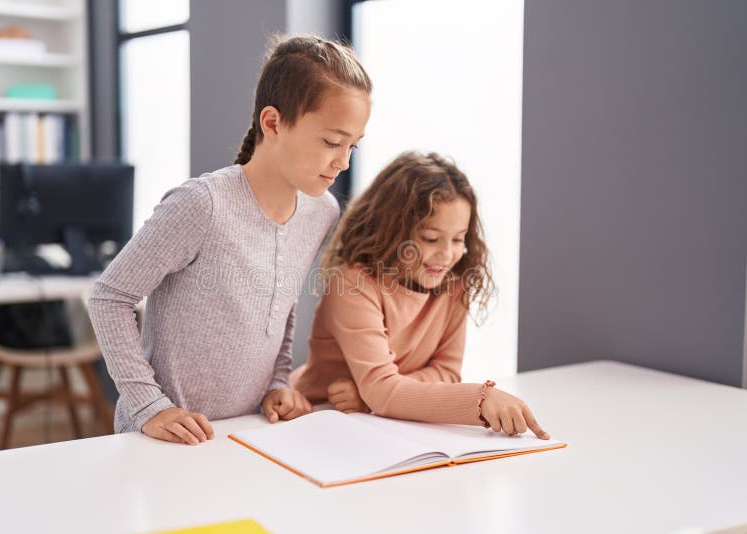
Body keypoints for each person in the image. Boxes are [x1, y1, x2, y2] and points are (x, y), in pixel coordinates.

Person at [88, 35, 372, 445]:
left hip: (248, 433)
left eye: (352, 146)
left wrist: (278, 382)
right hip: (164, 440)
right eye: (331, 142)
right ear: (272, 123)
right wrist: (149, 405)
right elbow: (109, 298)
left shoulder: (321, 210)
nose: (343, 161)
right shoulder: (202, 204)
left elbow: (282, 301)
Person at [292, 152, 550, 439]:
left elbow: (446, 372)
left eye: (458, 239)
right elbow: (382, 390)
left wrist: (367, 397)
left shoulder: (454, 287)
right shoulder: (354, 286)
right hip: (311, 416)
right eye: (430, 238)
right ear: (390, 231)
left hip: (380, 422)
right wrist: (481, 399)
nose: (446, 254)